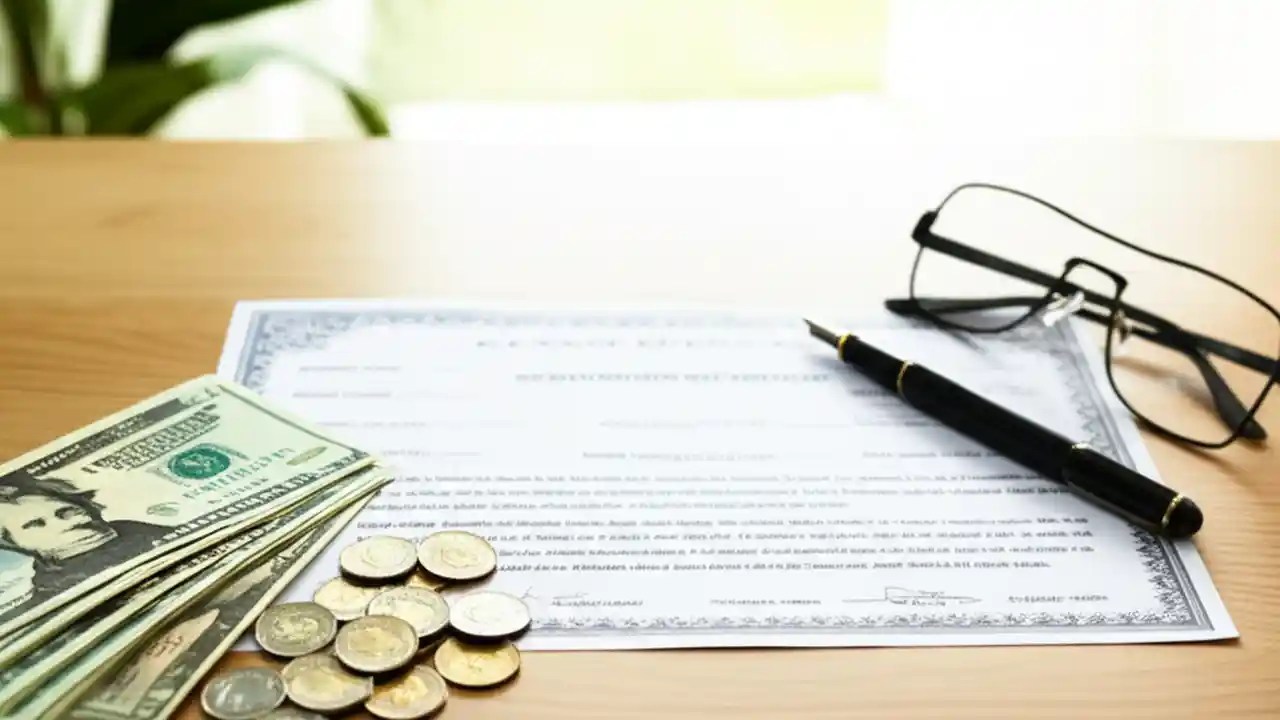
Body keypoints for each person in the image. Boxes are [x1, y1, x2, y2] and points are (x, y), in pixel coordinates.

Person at [0, 476, 169, 596]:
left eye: (66, 512)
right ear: (13, 543)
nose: (68, 523)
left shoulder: (147, 531)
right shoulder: (53, 592)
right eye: (35, 524)